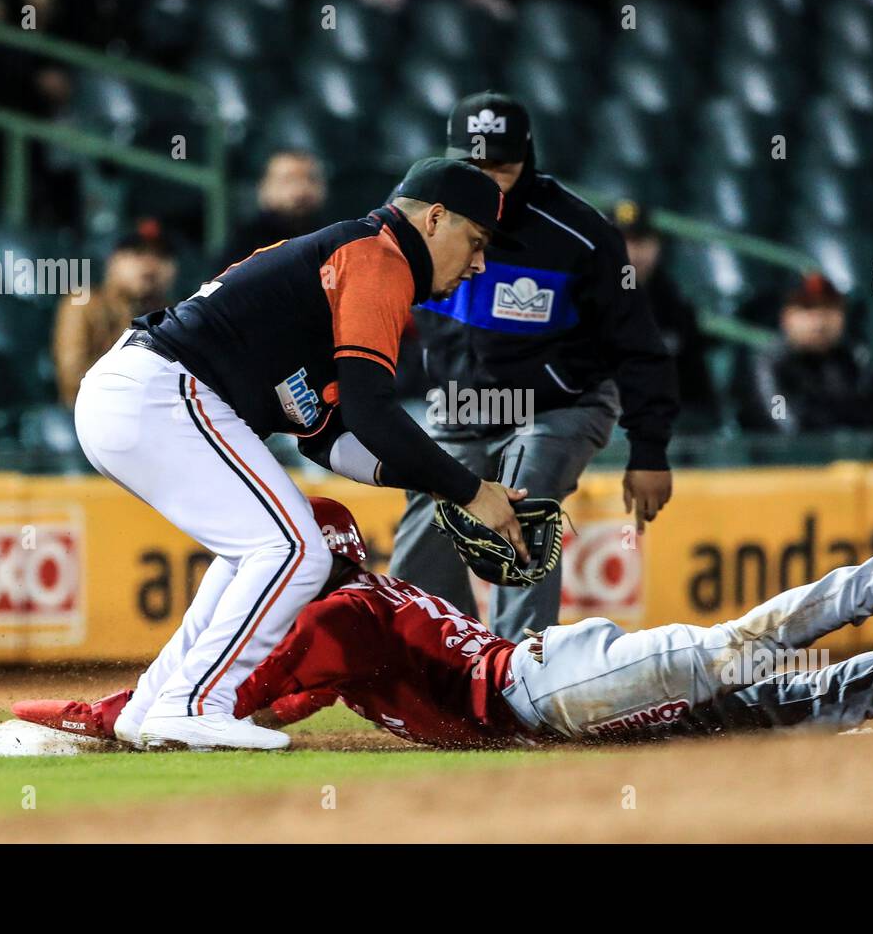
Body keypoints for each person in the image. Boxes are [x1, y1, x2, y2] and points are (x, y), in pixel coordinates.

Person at [16, 497, 873, 751]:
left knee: (739, 658)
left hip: (550, 692)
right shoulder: (360, 604)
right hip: (550, 690)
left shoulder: (339, 609)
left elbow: (244, 695)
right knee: (790, 712)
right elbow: (290, 692)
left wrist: (110, 712)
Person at [71, 157, 530, 751]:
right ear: (435, 219)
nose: (479, 263)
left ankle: (155, 702)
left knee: (258, 553)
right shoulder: (379, 255)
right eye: (475, 240)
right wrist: (470, 490)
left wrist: (439, 484)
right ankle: (192, 704)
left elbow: (327, 434)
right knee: (293, 550)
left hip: (137, 396)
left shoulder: (354, 260)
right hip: (162, 392)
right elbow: (373, 412)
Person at [389, 92, 680, 641]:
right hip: (461, 406)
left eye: (501, 168)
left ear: (529, 160)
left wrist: (649, 448)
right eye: (472, 166)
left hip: (562, 405)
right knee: (426, 535)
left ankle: (521, 676)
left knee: (522, 504)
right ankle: (450, 662)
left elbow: (638, 346)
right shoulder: (415, 218)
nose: (485, 180)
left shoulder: (579, 233)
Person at [737, 273, 873, 433]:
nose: (819, 320)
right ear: (786, 316)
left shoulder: (856, 359)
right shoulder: (769, 364)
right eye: (807, 307)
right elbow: (782, 427)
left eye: (829, 307)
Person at [610, 199, 718, 424]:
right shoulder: (579, 297)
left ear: (656, 246)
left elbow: (698, 391)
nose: (633, 253)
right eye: (622, 241)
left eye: (640, 241)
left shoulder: (675, 307)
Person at [53, 220, 176, 408]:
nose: (150, 264)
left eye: (161, 256)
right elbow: (71, 382)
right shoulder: (84, 303)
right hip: (92, 415)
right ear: (113, 261)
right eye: (137, 254)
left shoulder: (172, 314)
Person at [216, 149, 328, 267]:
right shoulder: (244, 246)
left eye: (311, 179)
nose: (301, 190)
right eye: (288, 180)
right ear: (264, 188)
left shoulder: (335, 240)